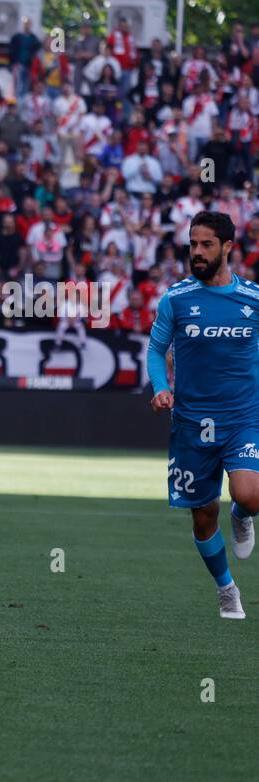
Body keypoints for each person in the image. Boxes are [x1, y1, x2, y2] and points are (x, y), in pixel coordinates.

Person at [147, 212, 259, 619]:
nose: (196, 251)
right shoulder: (176, 299)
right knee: (202, 515)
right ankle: (226, 588)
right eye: (193, 243)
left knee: (250, 494)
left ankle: (243, 515)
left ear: (228, 247)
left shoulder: (253, 299)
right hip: (193, 423)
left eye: (206, 244)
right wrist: (161, 387)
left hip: (243, 417)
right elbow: (156, 350)